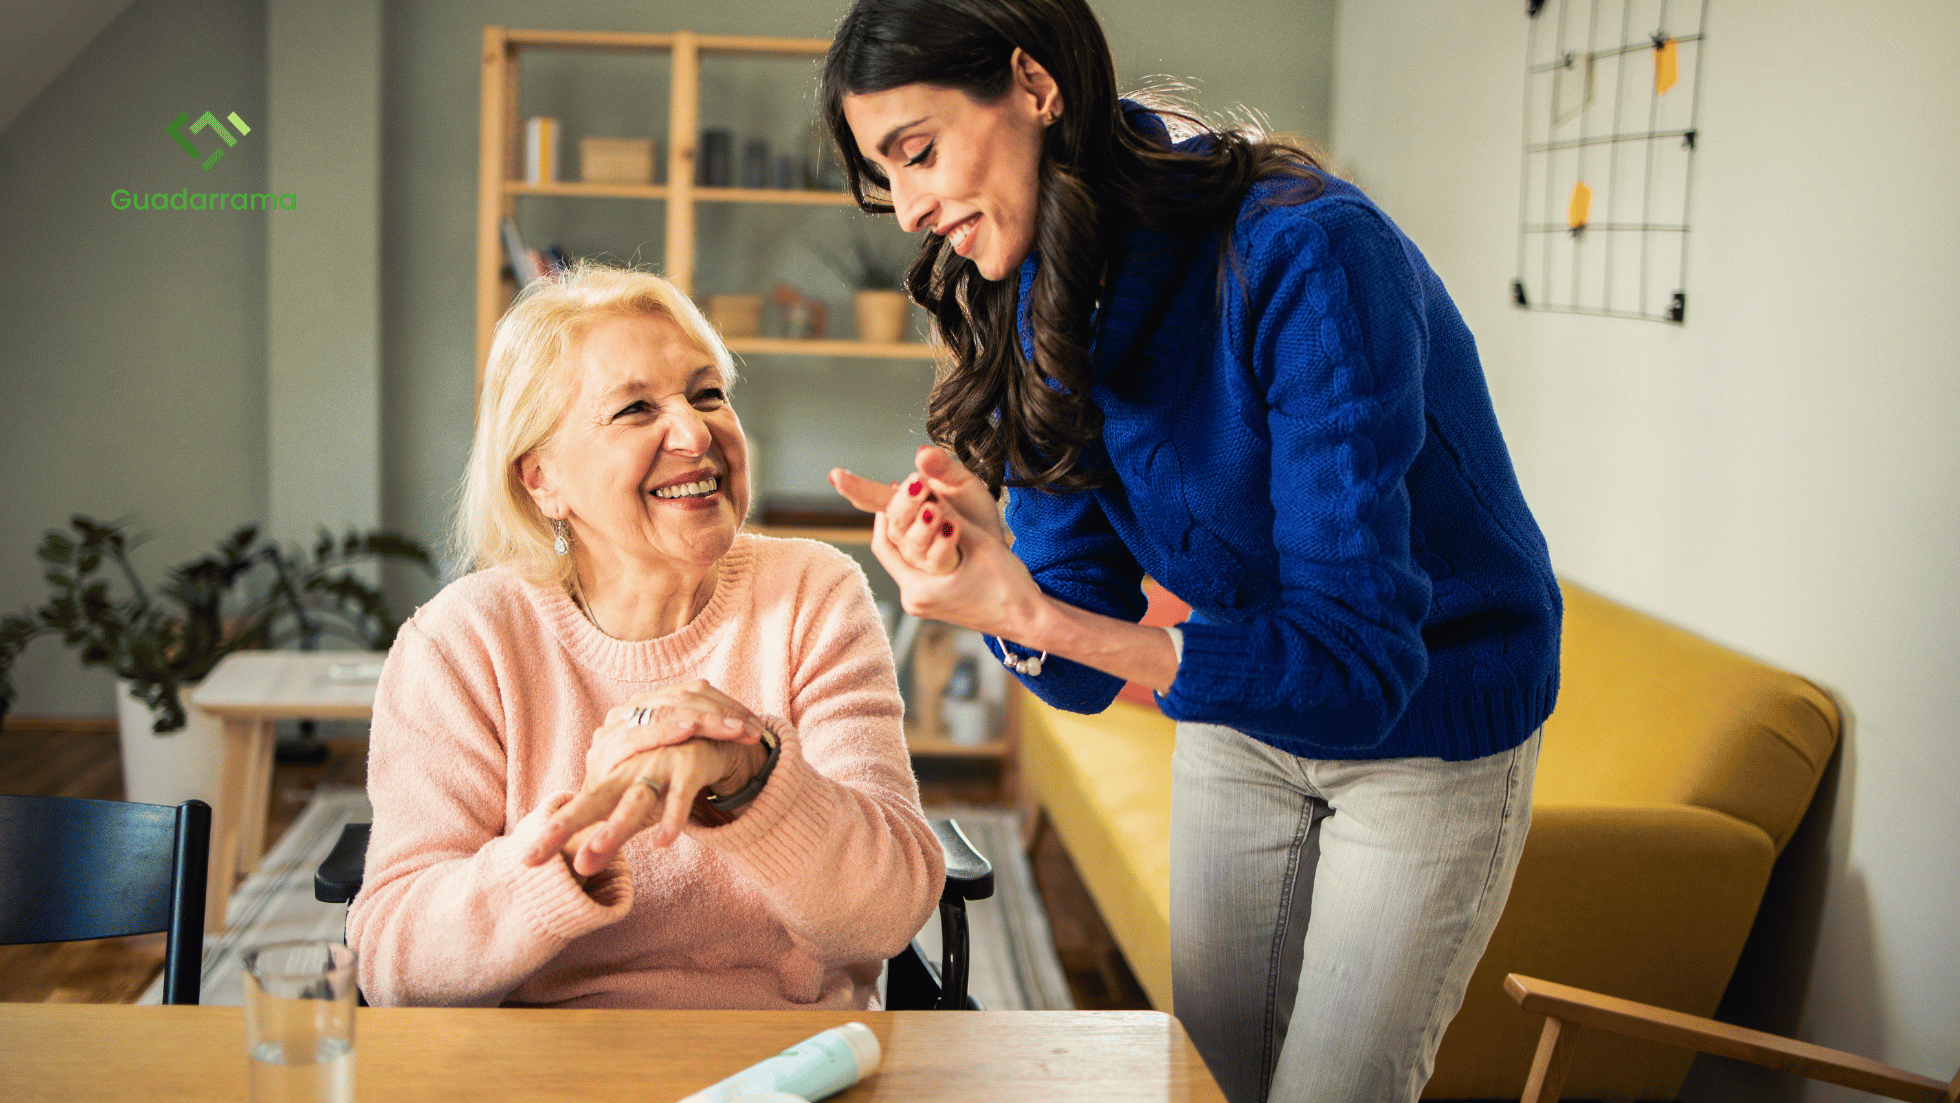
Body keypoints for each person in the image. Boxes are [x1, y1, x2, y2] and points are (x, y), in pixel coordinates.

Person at [819, 1, 1562, 1099]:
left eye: (918, 152)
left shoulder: (1307, 252)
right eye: (889, 177)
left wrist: (1031, 613)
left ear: (1032, 85)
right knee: (1209, 1077)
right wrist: (1002, 588)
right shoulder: (1026, 278)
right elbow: (1072, 661)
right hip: (1244, 697)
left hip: (1430, 717)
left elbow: (1358, 667)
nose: (913, 209)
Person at [347, 262, 943, 1010]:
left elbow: (886, 915)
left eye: (707, 395)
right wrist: (559, 856)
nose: (697, 433)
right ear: (541, 478)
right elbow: (394, 960)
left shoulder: (813, 594)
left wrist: (750, 776)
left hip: (787, 1061)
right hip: (547, 1072)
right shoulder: (462, 642)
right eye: (635, 409)